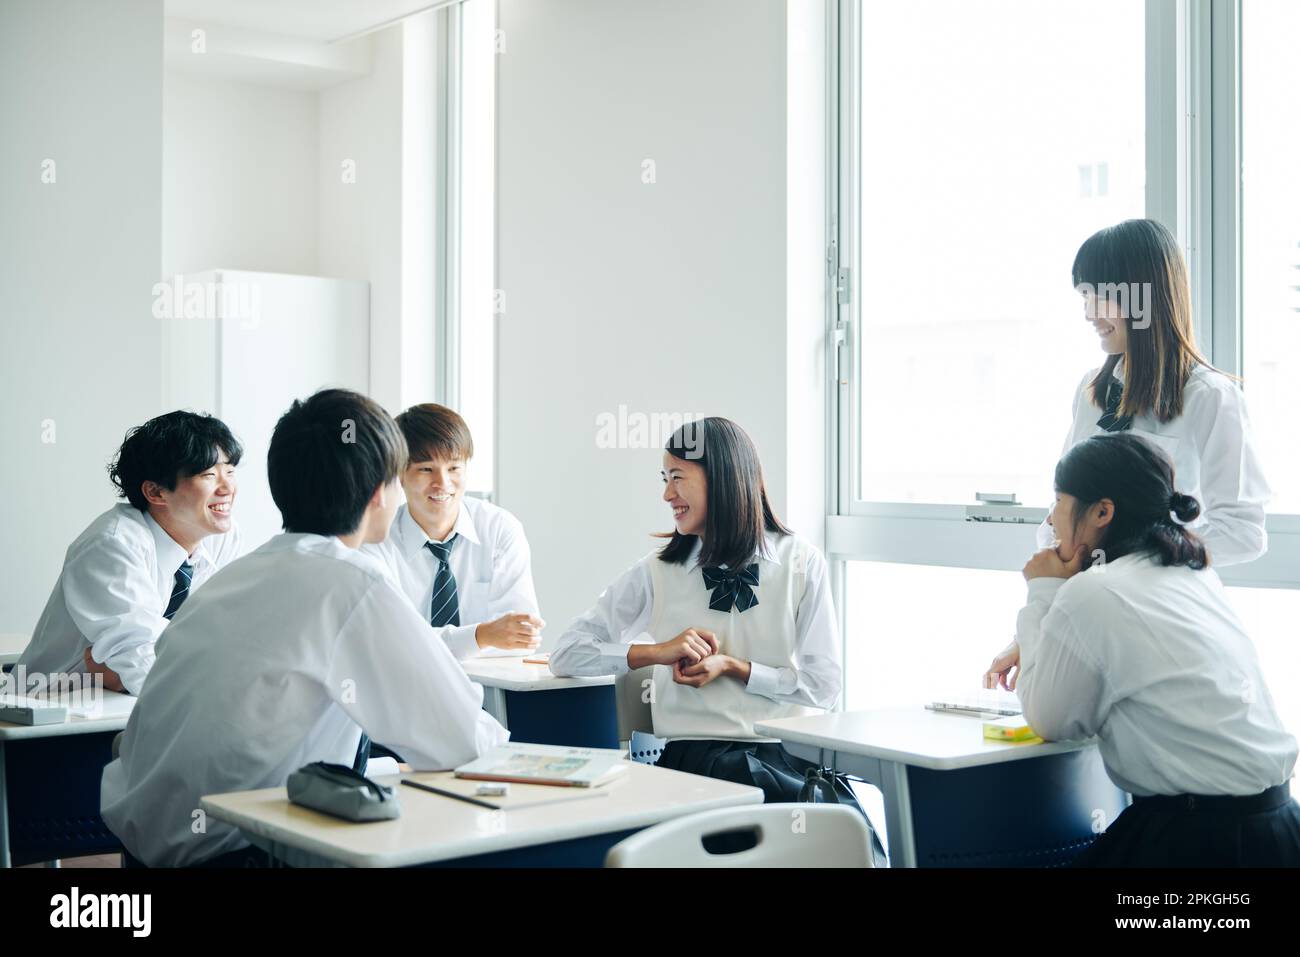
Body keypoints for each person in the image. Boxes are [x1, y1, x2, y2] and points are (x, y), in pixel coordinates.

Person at [100, 389, 508, 866]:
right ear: (379, 492)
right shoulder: (352, 583)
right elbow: (461, 741)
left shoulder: (236, 575)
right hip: (233, 852)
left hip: (147, 843)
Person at [550, 417, 883, 859]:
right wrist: (655, 652)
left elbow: (825, 687)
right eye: (664, 480)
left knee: (845, 835)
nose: (667, 494)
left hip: (781, 757)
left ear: (722, 480)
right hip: (693, 765)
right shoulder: (658, 570)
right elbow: (567, 653)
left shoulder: (801, 562)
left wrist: (738, 669)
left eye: (678, 479)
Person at [985, 433, 1298, 866]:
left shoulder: (1095, 592)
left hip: (1200, 839)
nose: (1052, 520)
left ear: (1101, 511)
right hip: (1279, 828)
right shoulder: (1192, 573)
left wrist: (1043, 591)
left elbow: (1049, 718)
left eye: (1058, 501)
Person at [17, 411, 242, 695]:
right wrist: (134, 673)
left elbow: (225, 640)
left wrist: (122, 676)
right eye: (209, 475)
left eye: (230, 471)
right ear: (156, 492)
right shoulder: (112, 545)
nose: (228, 488)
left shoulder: (221, 536)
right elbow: (143, 664)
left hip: (133, 706)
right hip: (53, 715)